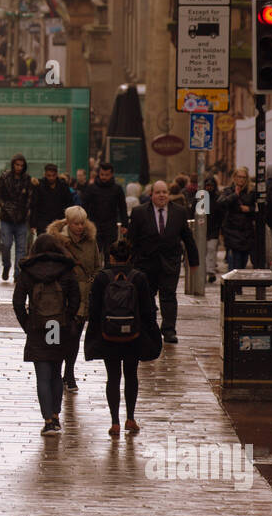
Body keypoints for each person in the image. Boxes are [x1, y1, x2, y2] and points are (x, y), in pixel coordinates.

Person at [84, 238, 158, 435]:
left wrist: (94, 334)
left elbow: (94, 310)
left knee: (113, 377)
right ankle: (131, 418)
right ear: (130, 257)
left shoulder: (102, 278)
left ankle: (115, 422)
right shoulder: (139, 277)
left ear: (110, 257)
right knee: (131, 375)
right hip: (133, 336)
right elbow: (148, 310)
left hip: (108, 336)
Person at [14, 233, 80, 435]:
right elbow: (75, 300)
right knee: (56, 372)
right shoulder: (66, 269)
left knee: (42, 375)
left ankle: (48, 420)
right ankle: (57, 415)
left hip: (37, 326)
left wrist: (27, 323)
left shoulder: (28, 270)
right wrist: (66, 319)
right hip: (57, 325)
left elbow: (18, 302)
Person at [127, 180, 198, 344]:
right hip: (145, 264)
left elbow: (187, 238)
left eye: (164, 192)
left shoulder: (179, 212)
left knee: (169, 297)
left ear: (168, 194)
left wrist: (194, 262)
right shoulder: (139, 212)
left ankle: (168, 330)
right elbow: (131, 240)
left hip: (170, 263)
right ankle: (148, 328)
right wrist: (128, 264)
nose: (161, 195)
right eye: (158, 192)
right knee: (146, 298)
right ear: (151, 194)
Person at [47, 206, 101, 393]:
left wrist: (92, 282)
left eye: (82, 223)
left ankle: (68, 373)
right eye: (76, 223)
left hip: (83, 297)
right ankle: (54, 371)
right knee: (57, 336)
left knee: (74, 336)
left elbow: (96, 265)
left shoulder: (90, 240)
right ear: (68, 223)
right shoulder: (57, 241)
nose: (80, 227)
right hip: (61, 295)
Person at [78, 161, 129, 261]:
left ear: (112, 174)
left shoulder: (117, 189)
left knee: (109, 253)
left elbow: (122, 207)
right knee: (93, 252)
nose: (104, 177)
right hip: (94, 225)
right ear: (98, 174)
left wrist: (125, 224)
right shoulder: (91, 188)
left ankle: (107, 274)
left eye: (107, 175)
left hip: (110, 225)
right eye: (102, 174)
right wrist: (83, 222)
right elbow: (84, 206)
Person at [0, 153, 32, 281]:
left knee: (21, 248)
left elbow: (30, 197)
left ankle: (18, 273)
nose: (19, 167)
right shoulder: (5, 177)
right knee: (6, 244)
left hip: (21, 219)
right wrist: (5, 206)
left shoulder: (27, 179)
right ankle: (6, 265)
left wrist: (26, 210)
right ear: (13, 164)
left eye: (21, 165)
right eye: (17, 164)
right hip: (6, 217)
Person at [218, 167, 257, 271]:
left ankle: (237, 284)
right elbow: (221, 203)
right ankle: (232, 286)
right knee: (234, 262)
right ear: (234, 177)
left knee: (243, 261)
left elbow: (259, 209)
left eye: (244, 177)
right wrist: (235, 195)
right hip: (232, 230)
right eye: (239, 177)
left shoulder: (251, 192)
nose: (241, 179)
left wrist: (249, 209)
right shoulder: (228, 191)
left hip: (246, 231)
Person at [28, 163, 73, 241]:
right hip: (43, 222)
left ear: (57, 174)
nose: (51, 178)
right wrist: (33, 224)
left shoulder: (63, 186)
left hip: (59, 221)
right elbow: (34, 205)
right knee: (44, 245)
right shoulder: (39, 186)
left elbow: (69, 203)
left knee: (58, 245)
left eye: (53, 175)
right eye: (49, 175)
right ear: (45, 174)